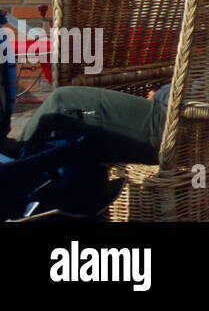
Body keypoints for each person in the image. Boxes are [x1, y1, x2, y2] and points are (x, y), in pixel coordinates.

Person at [1, 84, 170, 219]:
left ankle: (15, 181)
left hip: (163, 121)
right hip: (165, 115)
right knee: (70, 137)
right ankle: (24, 179)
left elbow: (189, 90)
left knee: (60, 103)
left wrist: (161, 93)